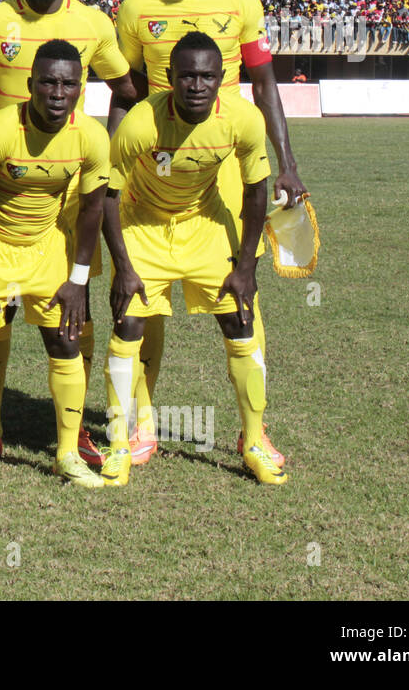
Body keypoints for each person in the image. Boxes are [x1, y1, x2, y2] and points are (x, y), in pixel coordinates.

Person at [112, 0, 307, 466]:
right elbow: (125, 96)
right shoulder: (137, 7)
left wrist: (286, 160)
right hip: (154, 170)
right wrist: (110, 169)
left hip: (222, 167)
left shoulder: (240, 0)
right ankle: (141, 421)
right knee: (143, 302)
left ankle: (255, 431)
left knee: (241, 297)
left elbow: (265, 84)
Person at [0, 0, 139, 469]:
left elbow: (126, 88)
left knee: (76, 312)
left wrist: (114, 143)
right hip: (5, 168)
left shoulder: (94, 25)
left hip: (69, 193)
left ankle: (73, 435)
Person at [100, 32, 287, 487]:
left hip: (206, 224)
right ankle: (119, 445)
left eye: (207, 76)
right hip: (143, 225)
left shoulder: (243, 119)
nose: (197, 85)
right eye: (188, 76)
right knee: (128, 326)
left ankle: (254, 439)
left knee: (240, 324)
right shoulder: (142, 123)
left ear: (222, 79)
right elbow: (107, 196)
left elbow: (256, 191)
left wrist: (246, 269)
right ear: (170, 78)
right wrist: (123, 268)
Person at [0, 41, 111, 495]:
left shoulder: (92, 137)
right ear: (30, 85)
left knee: (65, 341)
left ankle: (67, 455)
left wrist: (78, 281)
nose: (58, 93)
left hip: (49, 248)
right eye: (48, 82)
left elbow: (92, 211)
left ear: (80, 88)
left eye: (68, 84)